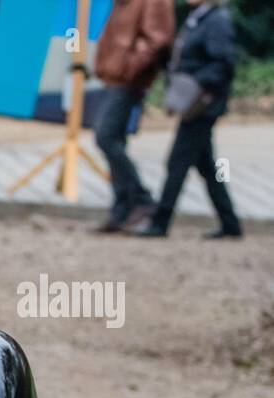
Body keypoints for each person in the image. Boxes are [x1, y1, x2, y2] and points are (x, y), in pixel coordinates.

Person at [137, 0, 242, 239]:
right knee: (206, 166)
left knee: (177, 162)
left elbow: (223, 63)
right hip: (195, 104)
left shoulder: (216, 21)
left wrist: (194, 85)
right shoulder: (199, 18)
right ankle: (230, 223)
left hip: (203, 105)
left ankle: (160, 221)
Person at [91, 0, 175, 233]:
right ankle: (123, 207)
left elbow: (158, 40)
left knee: (105, 137)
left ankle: (141, 199)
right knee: (113, 139)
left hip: (127, 80)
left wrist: (129, 67)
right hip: (116, 78)